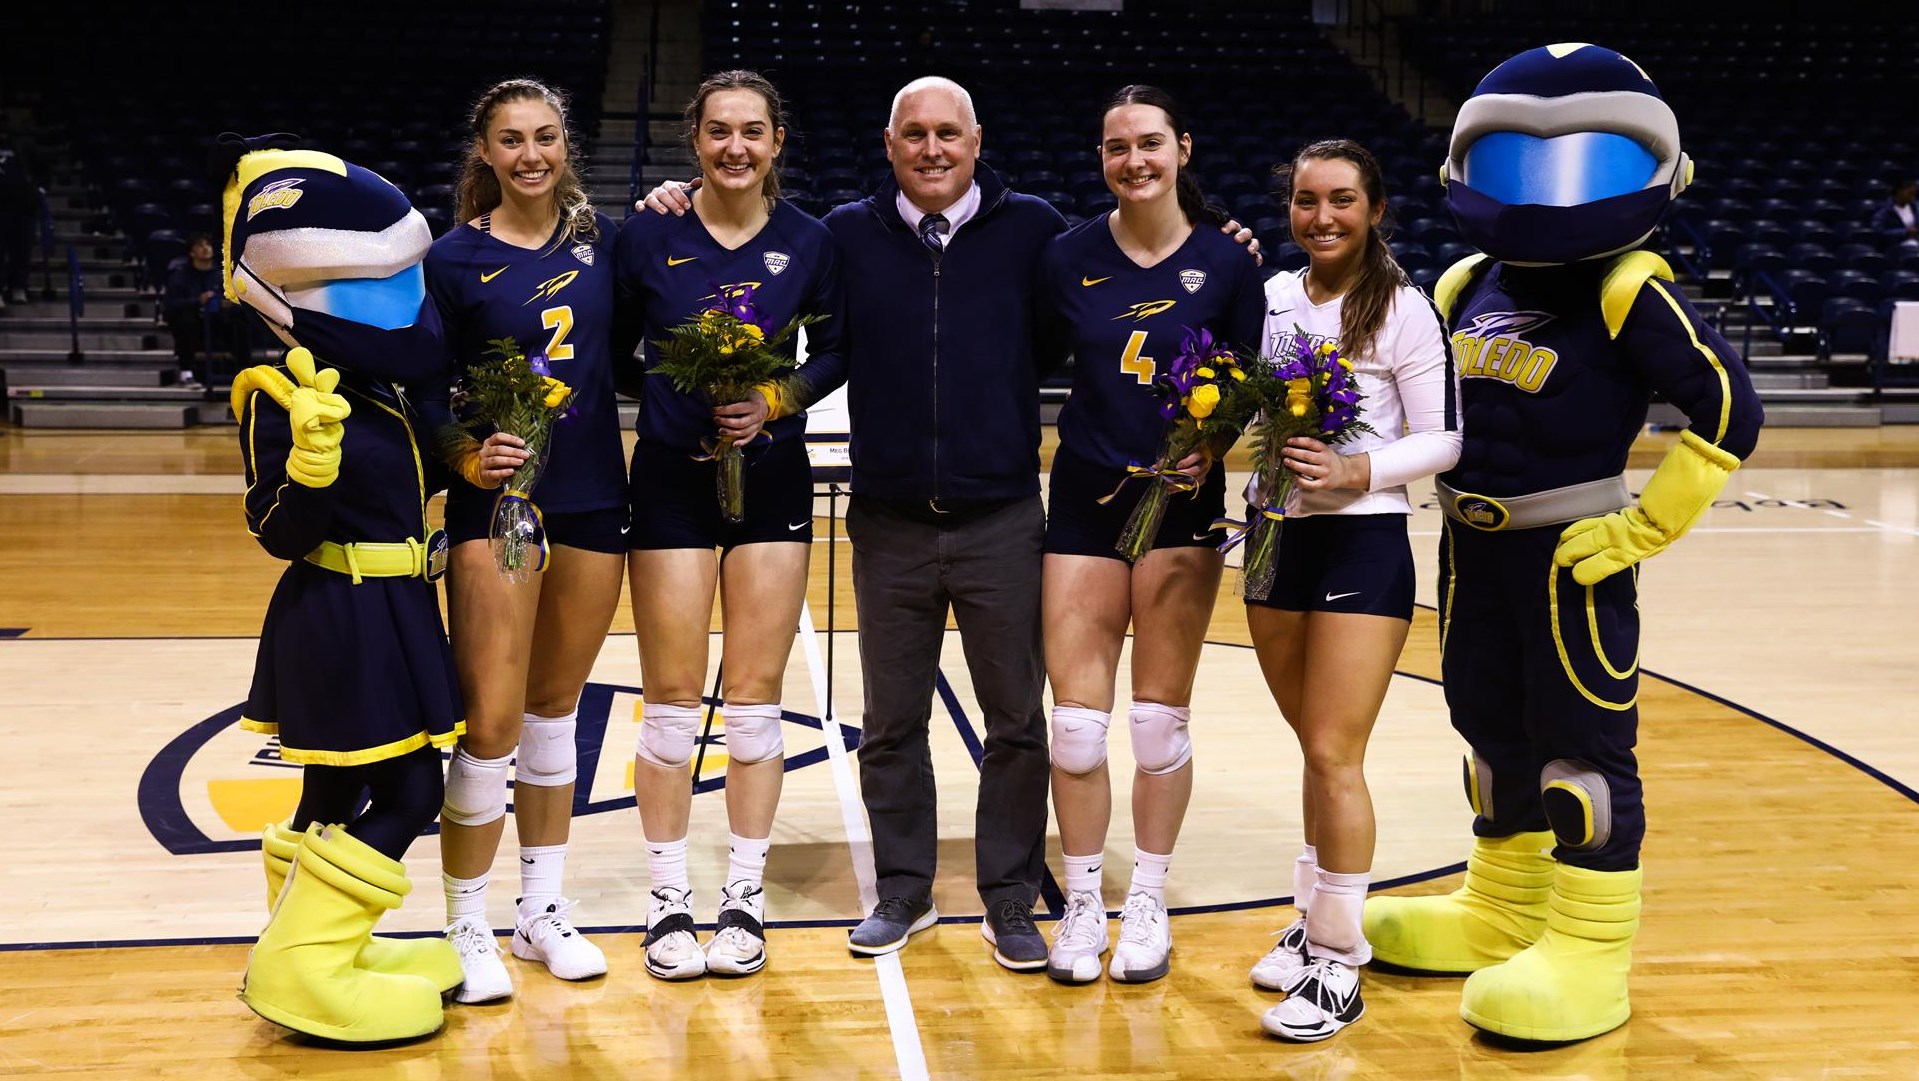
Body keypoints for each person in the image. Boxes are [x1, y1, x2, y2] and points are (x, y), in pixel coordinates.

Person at [638, 78, 1260, 973]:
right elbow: (823, 336)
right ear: (888, 144)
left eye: (948, 134)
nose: (932, 150)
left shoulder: (1037, 230)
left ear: (975, 140)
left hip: (1003, 513)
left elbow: (1130, 266)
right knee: (890, 721)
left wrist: (1223, 237)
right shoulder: (844, 234)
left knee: (1017, 720)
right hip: (885, 511)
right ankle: (903, 888)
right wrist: (673, 198)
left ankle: (1011, 896)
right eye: (914, 135)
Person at [1360, 44, 1762, 1043]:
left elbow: (1725, 406)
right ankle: (1499, 907)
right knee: (1487, 736)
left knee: (1579, 752)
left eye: (1578, 164)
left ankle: (1588, 951)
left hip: (1567, 557)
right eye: (1513, 163)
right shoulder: (1460, 281)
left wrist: (1644, 524)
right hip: (1466, 550)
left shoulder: (1628, 284)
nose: (1543, 189)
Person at [217, 135, 501, 1043]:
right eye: (372, 285)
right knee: (414, 790)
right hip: (338, 612)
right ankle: (300, 963)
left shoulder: (383, 379)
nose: (404, 301)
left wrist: (480, 454)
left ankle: (321, 947)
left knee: (334, 797)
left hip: (400, 605)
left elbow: (433, 453)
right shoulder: (276, 389)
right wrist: (307, 467)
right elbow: (275, 533)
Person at [613, 69, 845, 981]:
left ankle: (743, 894)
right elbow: (611, 350)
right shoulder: (648, 231)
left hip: (773, 480)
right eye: (718, 132)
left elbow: (833, 351)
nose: (735, 148)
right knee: (671, 706)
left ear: (776, 141)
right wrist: (680, 395)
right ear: (694, 139)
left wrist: (774, 399)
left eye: (752, 131)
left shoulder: (810, 241)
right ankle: (668, 897)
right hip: (670, 480)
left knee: (752, 707)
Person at [1038, 85, 1264, 986]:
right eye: (1116, 147)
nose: (1133, 161)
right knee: (1077, 732)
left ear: (1182, 149)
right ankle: (1084, 900)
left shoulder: (1229, 261)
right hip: (1087, 497)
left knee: (1157, 723)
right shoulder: (1064, 257)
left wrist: (1211, 441)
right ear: (1101, 159)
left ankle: (1150, 899)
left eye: (1149, 144)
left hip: (1182, 506)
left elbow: (1247, 381)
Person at [1237, 139, 1461, 1042]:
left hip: (1361, 546)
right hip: (1271, 538)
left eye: (1339, 200)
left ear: (1373, 208)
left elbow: (1441, 439)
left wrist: (1357, 466)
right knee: (1311, 745)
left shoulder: (1404, 308)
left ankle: (1338, 963)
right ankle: (1310, 916)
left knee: (1335, 751)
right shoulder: (1271, 297)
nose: (1320, 217)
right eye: (1303, 201)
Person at [424, 77, 627, 1004]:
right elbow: (420, 390)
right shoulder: (450, 259)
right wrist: (466, 457)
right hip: (497, 506)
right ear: (485, 153)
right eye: (511, 140)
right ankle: (463, 919)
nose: (531, 155)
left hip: (592, 497)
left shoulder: (604, 248)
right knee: (493, 723)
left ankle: (539, 909)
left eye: (545, 137)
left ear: (565, 145)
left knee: (555, 714)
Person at [162, 233, 250, 390]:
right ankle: (186, 373)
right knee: (185, 321)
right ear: (191, 252)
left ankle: (244, 371)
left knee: (239, 321)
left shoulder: (221, 275)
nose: (205, 248)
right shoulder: (180, 276)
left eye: (207, 245)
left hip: (218, 322)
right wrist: (198, 301)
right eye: (200, 245)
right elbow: (172, 305)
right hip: (195, 322)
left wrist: (228, 304)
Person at [1873, 178, 1917, 244]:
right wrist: (1905, 232)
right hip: (1895, 246)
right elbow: (1879, 232)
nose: (1913, 197)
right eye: (1910, 194)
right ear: (1899, 191)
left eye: (1914, 194)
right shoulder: (1884, 210)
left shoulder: (1915, 206)